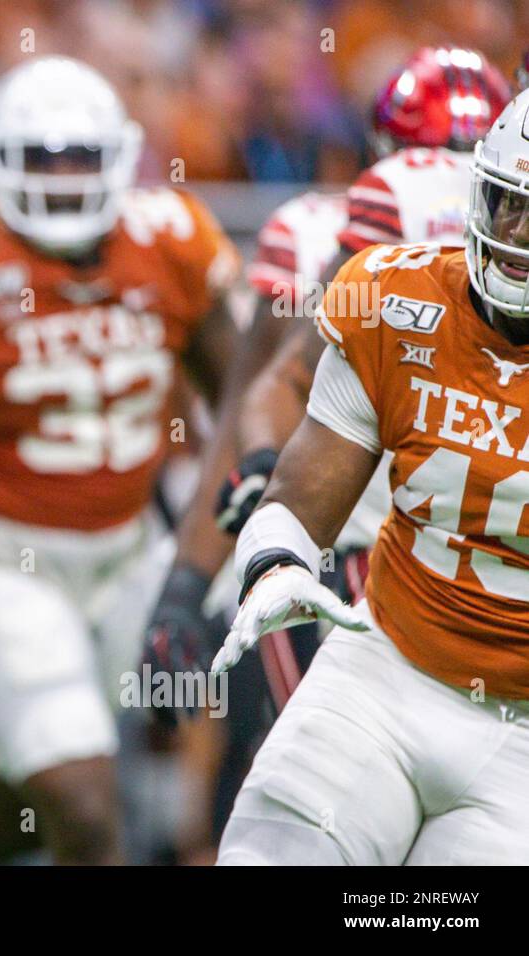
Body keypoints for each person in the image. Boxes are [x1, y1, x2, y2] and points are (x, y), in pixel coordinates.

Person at [0, 56, 241, 864]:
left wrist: (226, 538)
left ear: (121, 157)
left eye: (81, 157)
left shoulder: (173, 240)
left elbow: (242, 402)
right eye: (41, 157)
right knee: (85, 801)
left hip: (124, 557)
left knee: (19, 799)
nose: (63, 179)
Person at [145, 47, 512, 717]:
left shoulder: (347, 209)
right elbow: (272, 386)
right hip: (390, 560)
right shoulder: (380, 225)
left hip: (362, 552)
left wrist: (186, 582)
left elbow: (256, 396)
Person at [213, 88, 529, 864]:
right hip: (386, 670)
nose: (515, 236)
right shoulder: (396, 300)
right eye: (506, 205)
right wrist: (275, 563)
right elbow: (298, 498)